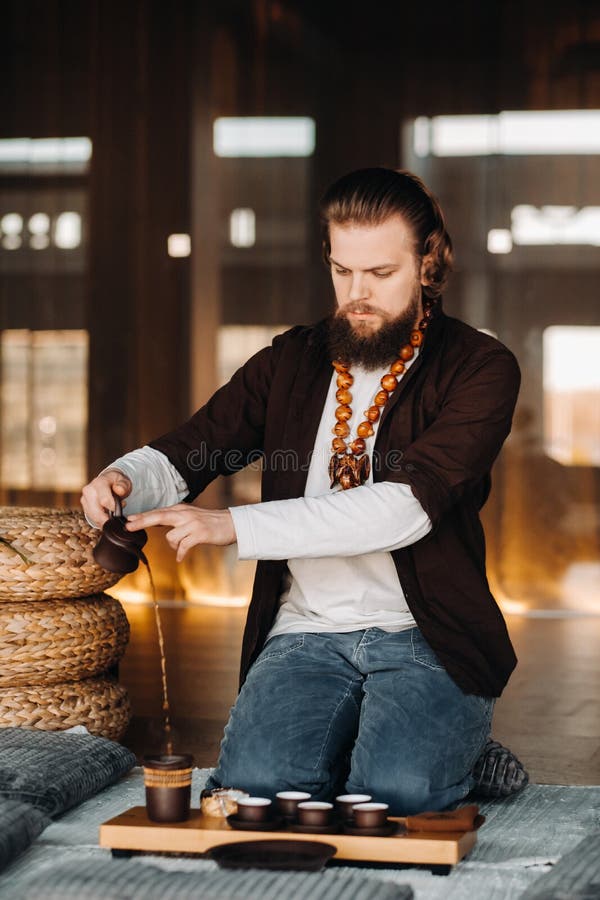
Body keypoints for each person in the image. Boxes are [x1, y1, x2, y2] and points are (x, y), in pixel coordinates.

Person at [81, 167, 524, 815]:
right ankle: (412, 739)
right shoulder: (292, 360)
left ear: (428, 264)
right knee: (258, 791)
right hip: (306, 632)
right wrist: (124, 475)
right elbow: (194, 448)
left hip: (427, 635)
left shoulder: (481, 367)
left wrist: (237, 526)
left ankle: (451, 745)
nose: (357, 294)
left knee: (393, 796)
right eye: (343, 271)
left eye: (380, 274)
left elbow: (406, 507)